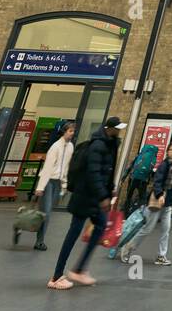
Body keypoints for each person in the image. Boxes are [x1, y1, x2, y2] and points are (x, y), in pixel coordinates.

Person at [47, 116, 125, 290]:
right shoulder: (98, 145)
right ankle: (57, 276)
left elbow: (106, 172)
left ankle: (79, 269)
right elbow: (93, 173)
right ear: (109, 128)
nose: (119, 131)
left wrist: (110, 189)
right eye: (117, 128)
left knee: (99, 226)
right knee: (73, 233)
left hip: (93, 198)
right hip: (85, 197)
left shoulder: (109, 144)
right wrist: (103, 196)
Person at [119, 142, 172, 266]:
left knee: (165, 230)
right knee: (147, 229)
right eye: (171, 149)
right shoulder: (164, 165)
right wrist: (160, 194)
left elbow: (171, 186)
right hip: (157, 202)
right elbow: (157, 181)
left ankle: (161, 256)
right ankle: (127, 248)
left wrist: (169, 200)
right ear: (168, 151)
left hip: (167, 204)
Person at [30, 121, 74, 251]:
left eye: (73, 131)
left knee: (46, 212)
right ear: (64, 132)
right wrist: (40, 187)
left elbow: (66, 167)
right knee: (46, 212)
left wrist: (64, 184)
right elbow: (48, 167)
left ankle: (38, 236)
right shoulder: (55, 147)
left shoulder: (70, 147)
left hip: (58, 182)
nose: (72, 134)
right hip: (48, 181)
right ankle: (39, 241)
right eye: (70, 131)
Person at [121, 142, 158, 216]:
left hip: (133, 178)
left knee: (129, 196)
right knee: (142, 198)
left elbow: (130, 166)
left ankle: (125, 214)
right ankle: (139, 214)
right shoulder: (153, 158)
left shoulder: (139, 156)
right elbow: (151, 171)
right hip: (143, 180)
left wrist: (123, 178)